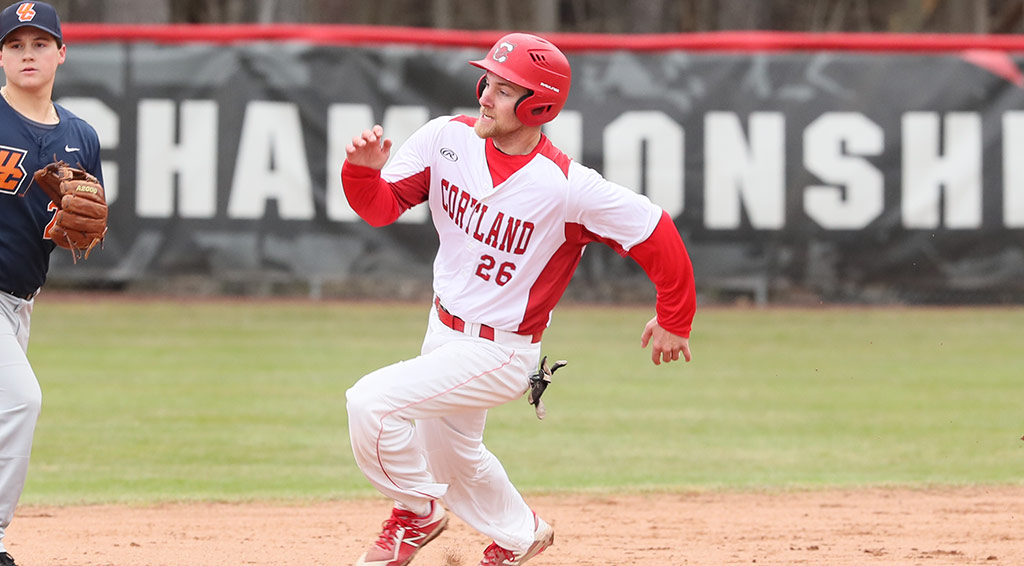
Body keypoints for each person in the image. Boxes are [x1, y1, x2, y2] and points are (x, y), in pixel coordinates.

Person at [342, 32, 695, 566]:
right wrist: (361, 172)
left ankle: (416, 512)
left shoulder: (567, 187)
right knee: (454, 460)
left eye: (506, 90)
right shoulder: (446, 139)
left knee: (369, 403)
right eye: (489, 80)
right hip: (442, 330)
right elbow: (381, 208)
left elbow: (655, 231)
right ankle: (519, 534)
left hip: (501, 350)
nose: (485, 94)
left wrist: (675, 316)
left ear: (540, 105)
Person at [0, 2, 104, 564]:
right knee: (21, 403)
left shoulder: (80, 136)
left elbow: (88, 228)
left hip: (21, 300)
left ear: (61, 53)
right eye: (15, 45)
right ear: (0, 56)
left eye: (39, 44)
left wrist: (75, 230)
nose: (28, 54)